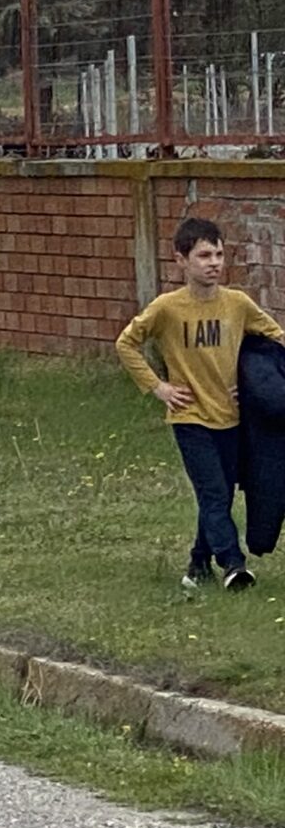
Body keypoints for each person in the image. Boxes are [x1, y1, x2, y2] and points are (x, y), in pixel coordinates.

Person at [116, 216, 285, 590]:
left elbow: (275, 340)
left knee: (222, 493)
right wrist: (158, 387)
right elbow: (126, 343)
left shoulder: (238, 304)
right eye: (204, 255)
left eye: (219, 254)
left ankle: (197, 564)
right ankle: (233, 565)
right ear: (181, 260)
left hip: (231, 417)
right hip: (190, 417)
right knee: (213, 492)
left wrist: (256, 386)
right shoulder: (167, 308)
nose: (214, 263)